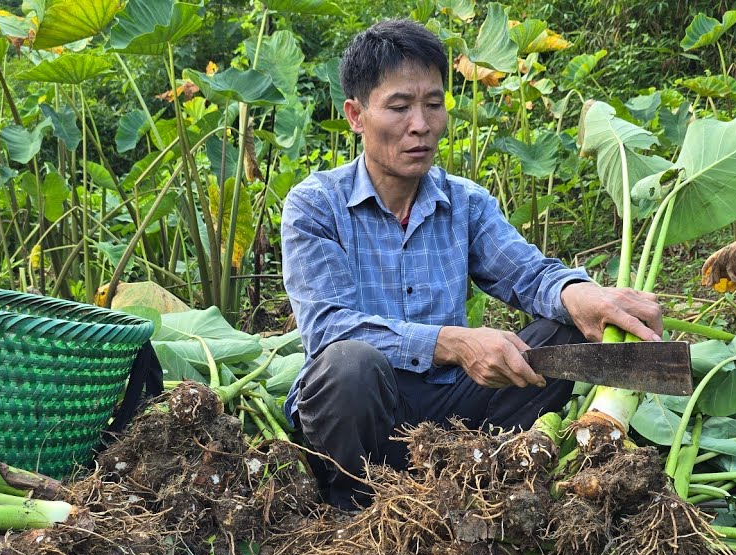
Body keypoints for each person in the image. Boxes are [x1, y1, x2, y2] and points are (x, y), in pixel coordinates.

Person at [280, 19, 663, 509]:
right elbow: (330, 330)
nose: (420, 124)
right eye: (399, 107)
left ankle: (475, 478)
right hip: (361, 420)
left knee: (568, 330)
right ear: (356, 115)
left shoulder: (464, 202)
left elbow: (526, 272)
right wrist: (455, 343)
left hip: (453, 417)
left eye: (433, 105)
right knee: (349, 364)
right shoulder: (315, 205)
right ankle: (352, 507)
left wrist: (582, 296)